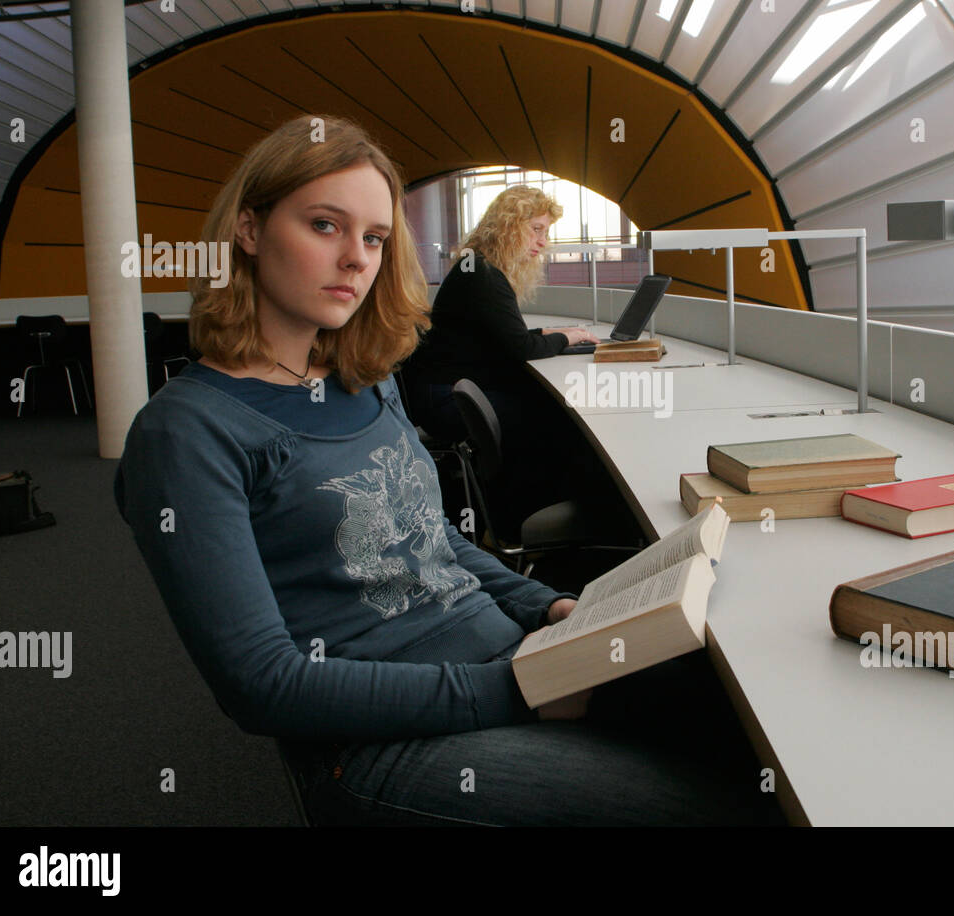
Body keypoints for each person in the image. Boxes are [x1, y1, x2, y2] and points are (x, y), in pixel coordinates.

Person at [113, 116, 782, 826]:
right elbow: (264, 686)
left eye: (374, 238)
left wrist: (548, 610)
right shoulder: (186, 433)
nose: (356, 260)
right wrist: (515, 690)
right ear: (248, 230)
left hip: (511, 658)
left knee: (746, 720)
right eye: (324, 226)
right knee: (721, 808)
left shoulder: (362, 377)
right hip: (386, 742)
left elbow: (434, 539)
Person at [402, 186, 607, 532]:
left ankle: (546, 510)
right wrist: (564, 338)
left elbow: (502, 334)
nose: (544, 242)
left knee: (547, 405)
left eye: (546, 232)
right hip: (447, 401)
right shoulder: (483, 275)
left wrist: (552, 334)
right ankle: (539, 517)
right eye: (536, 229)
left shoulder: (476, 266)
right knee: (559, 415)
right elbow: (521, 349)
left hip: (445, 389)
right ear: (510, 227)